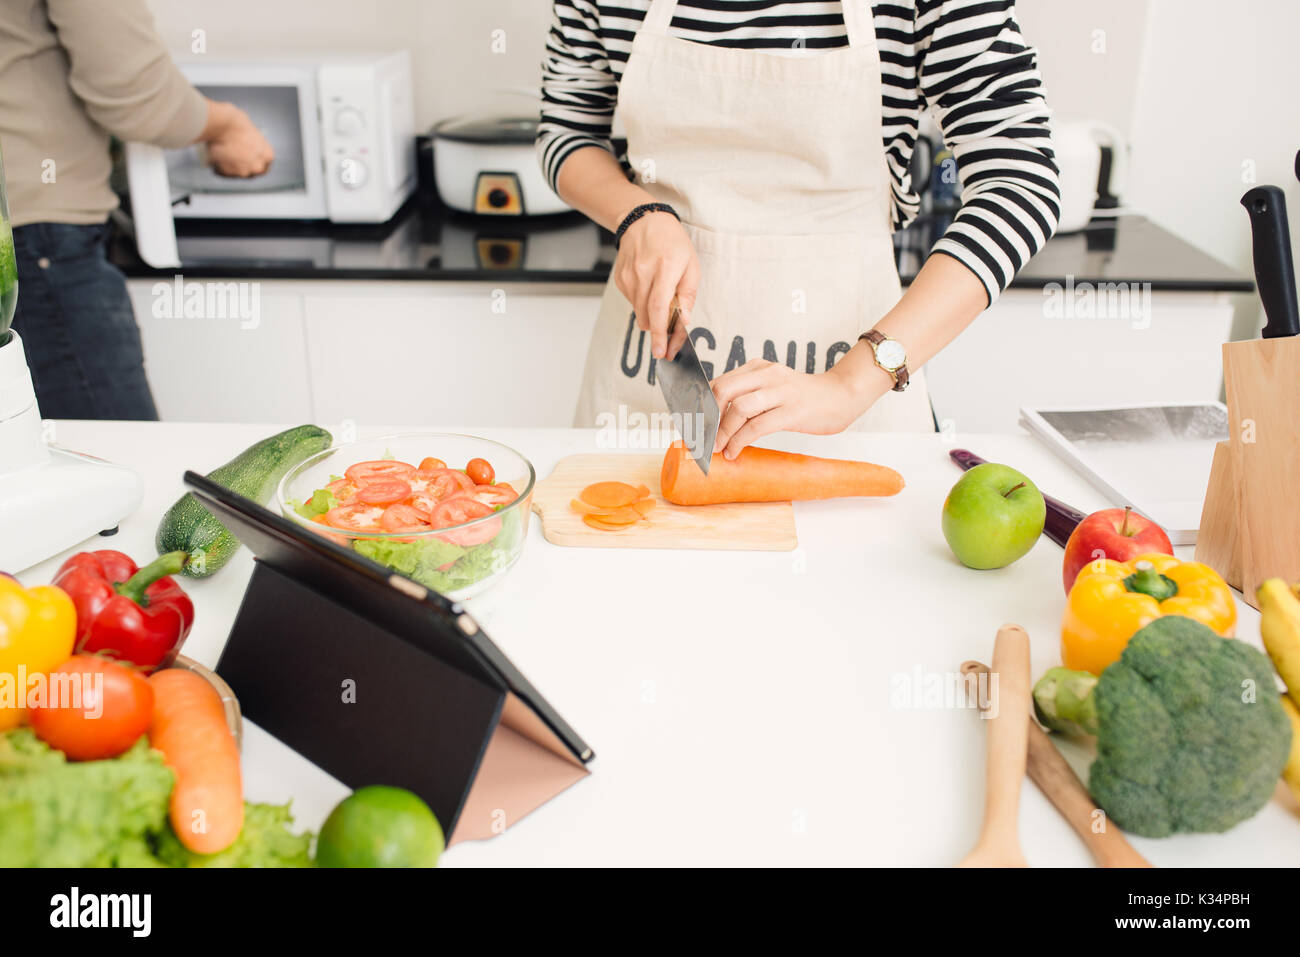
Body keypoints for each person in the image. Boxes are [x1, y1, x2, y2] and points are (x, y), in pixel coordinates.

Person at [539, 0, 1060, 455]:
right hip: (645, 393)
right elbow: (566, 131)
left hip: (856, 405)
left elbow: (1020, 181)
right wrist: (636, 213)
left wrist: (849, 385)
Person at [0, 0, 274, 420]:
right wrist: (229, 124)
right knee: (113, 454)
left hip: (21, 226)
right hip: (36, 239)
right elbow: (135, 95)